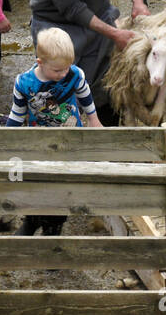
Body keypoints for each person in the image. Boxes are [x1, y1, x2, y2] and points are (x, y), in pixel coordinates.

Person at [6, 27, 101, 235]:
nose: (63, 73)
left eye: (67, 68)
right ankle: (31, 220)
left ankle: (53, 227)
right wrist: (6, 140)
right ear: (40, 62)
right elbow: (17, 114)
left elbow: (85, 95)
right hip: (38, 141)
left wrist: (94, 120)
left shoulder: (75, 74)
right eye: (57, 71)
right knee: (36, 180)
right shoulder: (24, 83)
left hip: (69, 140)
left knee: (63, 183)